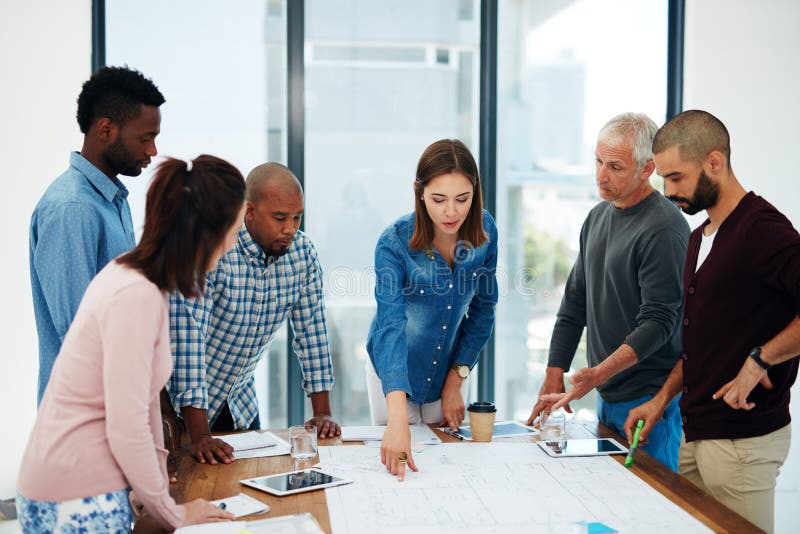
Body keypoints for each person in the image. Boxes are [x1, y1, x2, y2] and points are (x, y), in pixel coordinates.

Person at [17, 155, 244, 532]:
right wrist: (172, 513)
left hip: (84, 483)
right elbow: (128, 423)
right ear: (208, 234)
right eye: (234, 232)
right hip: (73, 491)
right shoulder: (135, 294)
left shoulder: (140, 281)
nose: (233, 246)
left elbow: (146, 408)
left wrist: (155, 489)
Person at [625, 110, 799, 533]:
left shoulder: (765, 230)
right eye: (663, 180)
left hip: (742, 445)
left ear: (714, 163)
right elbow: (702, 345)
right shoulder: (698, 238)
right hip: (695, 435)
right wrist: (660, 399)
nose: (668, 191)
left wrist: (760, 360)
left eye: (677, 178)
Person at [526, 113, 690, 471]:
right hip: (608, 397)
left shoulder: (664, 228)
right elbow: (574, 306)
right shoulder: (597, 218)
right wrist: (555, 371)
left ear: (647, 169)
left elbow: (660, 321)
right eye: (598, 161)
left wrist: (598, 373)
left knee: (652, 513)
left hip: (651, 402)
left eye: (615, 166)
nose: (601, 175)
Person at [169, 162, 340, 465]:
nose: (290, 228)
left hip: (240, 404)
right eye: (279, 218)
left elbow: (312, 331)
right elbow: (188, 343)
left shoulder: (303, 254)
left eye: (297, 217)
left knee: (253, 492)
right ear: (249, 211)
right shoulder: (217, 250)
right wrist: (198, 435)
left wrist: (322, 413)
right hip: (185, 410)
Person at [30, 66, 164, 404]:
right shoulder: (72, 208)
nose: (153, 150)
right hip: (83, 414)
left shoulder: (112, 201)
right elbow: (80, 331)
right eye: (145, 138)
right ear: (106, 129)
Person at [366, 139, 499, 480]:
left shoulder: (485, 233)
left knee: (448, 470)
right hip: (395, 375)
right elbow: (389, 326)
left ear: (476, 192)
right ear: (419, 192)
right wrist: (397, 419)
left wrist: (456, 380)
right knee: (397, 468)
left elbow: (483, 311)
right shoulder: (393, 243)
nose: (451, 212)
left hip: (451, 369)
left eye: (462, 199)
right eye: (439, 199)